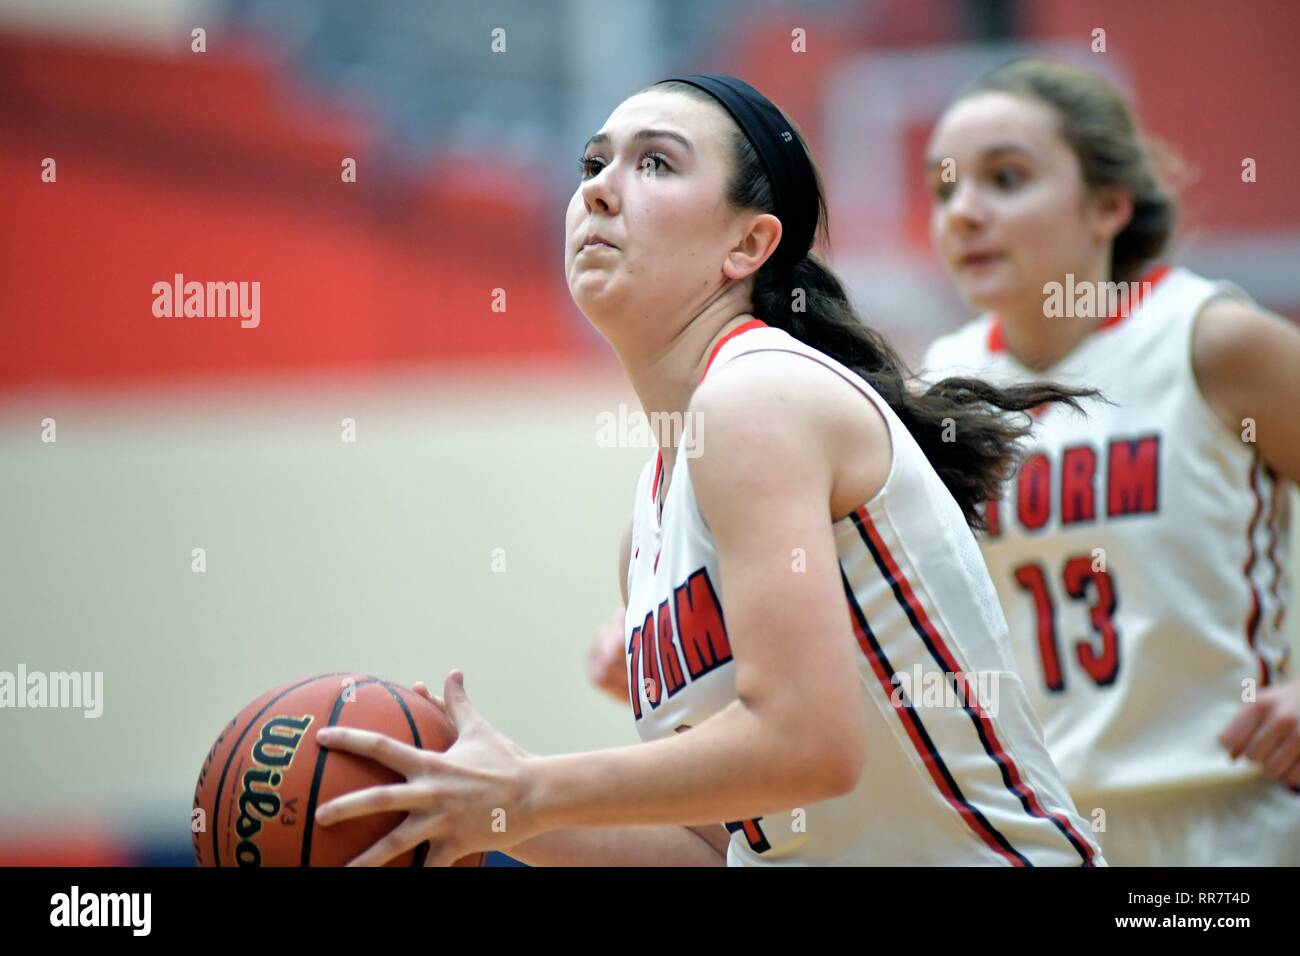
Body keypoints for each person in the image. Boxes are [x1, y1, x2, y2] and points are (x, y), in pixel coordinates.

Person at [313, 73, 1104, 866]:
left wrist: (532, 788)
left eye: (655, 164)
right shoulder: (648, 527)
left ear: (748, 244)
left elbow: (808, 746)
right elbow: (718, 845)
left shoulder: (757, 397)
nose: (599, 192)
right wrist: (486, 813)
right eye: (592, 165)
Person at [919, 58, 1300, 865]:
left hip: (1235, 814)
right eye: (944, 189)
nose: (964, 212)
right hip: (1046, 829)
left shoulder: (1210, 338)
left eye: (1006, 179)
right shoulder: (943, 388)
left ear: (1108, 205)